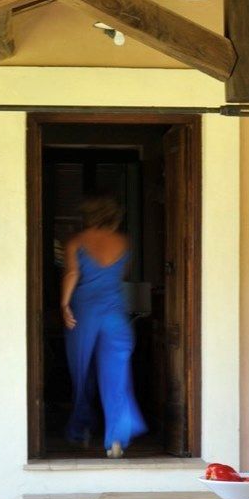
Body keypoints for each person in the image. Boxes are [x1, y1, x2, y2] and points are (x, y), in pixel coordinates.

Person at [60, 195, 147, 458]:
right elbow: (122, 275)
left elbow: (72, 273)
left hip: (83, 313)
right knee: (117, 377)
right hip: (115, 315)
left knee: (81, 373)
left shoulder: (77, 241)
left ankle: (82, 429)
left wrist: (64, 305)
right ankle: (116, 439)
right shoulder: (125, 242)